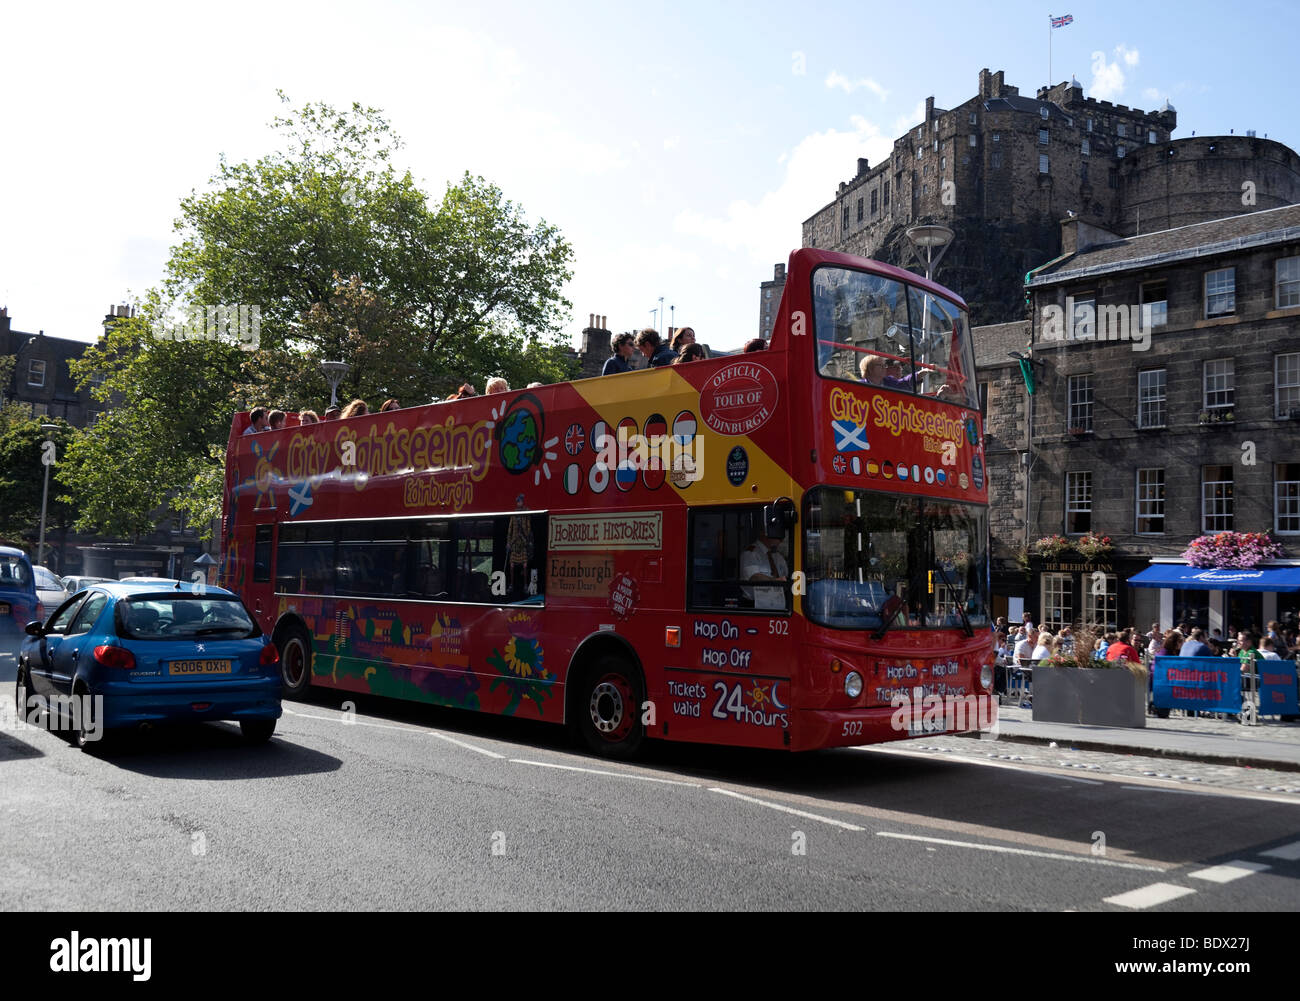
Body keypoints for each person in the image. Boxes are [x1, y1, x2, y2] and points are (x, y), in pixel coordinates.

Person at [740, 527, 788, 607]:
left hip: (776, 602)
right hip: (755, 605)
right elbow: (754, 577)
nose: (781, 541)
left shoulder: (777, 556)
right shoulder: (751, 553)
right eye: (779, 537)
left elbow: (786, 575)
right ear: (765, 534)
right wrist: (775, 581)